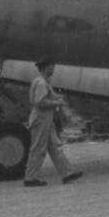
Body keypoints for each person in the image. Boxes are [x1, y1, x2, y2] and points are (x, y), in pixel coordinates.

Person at [23, 57, 83, 186]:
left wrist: (58, 98)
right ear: (45, 67)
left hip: (46, 120)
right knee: (38, 149)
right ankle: (30, 178)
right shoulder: (41, 83)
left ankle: (67, 173)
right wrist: (57, 102)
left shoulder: (42, 81)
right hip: (41, 119)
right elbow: (40, 102)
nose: (53, 68)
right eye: (51, 66)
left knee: (55, 147)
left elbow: (46, 97)